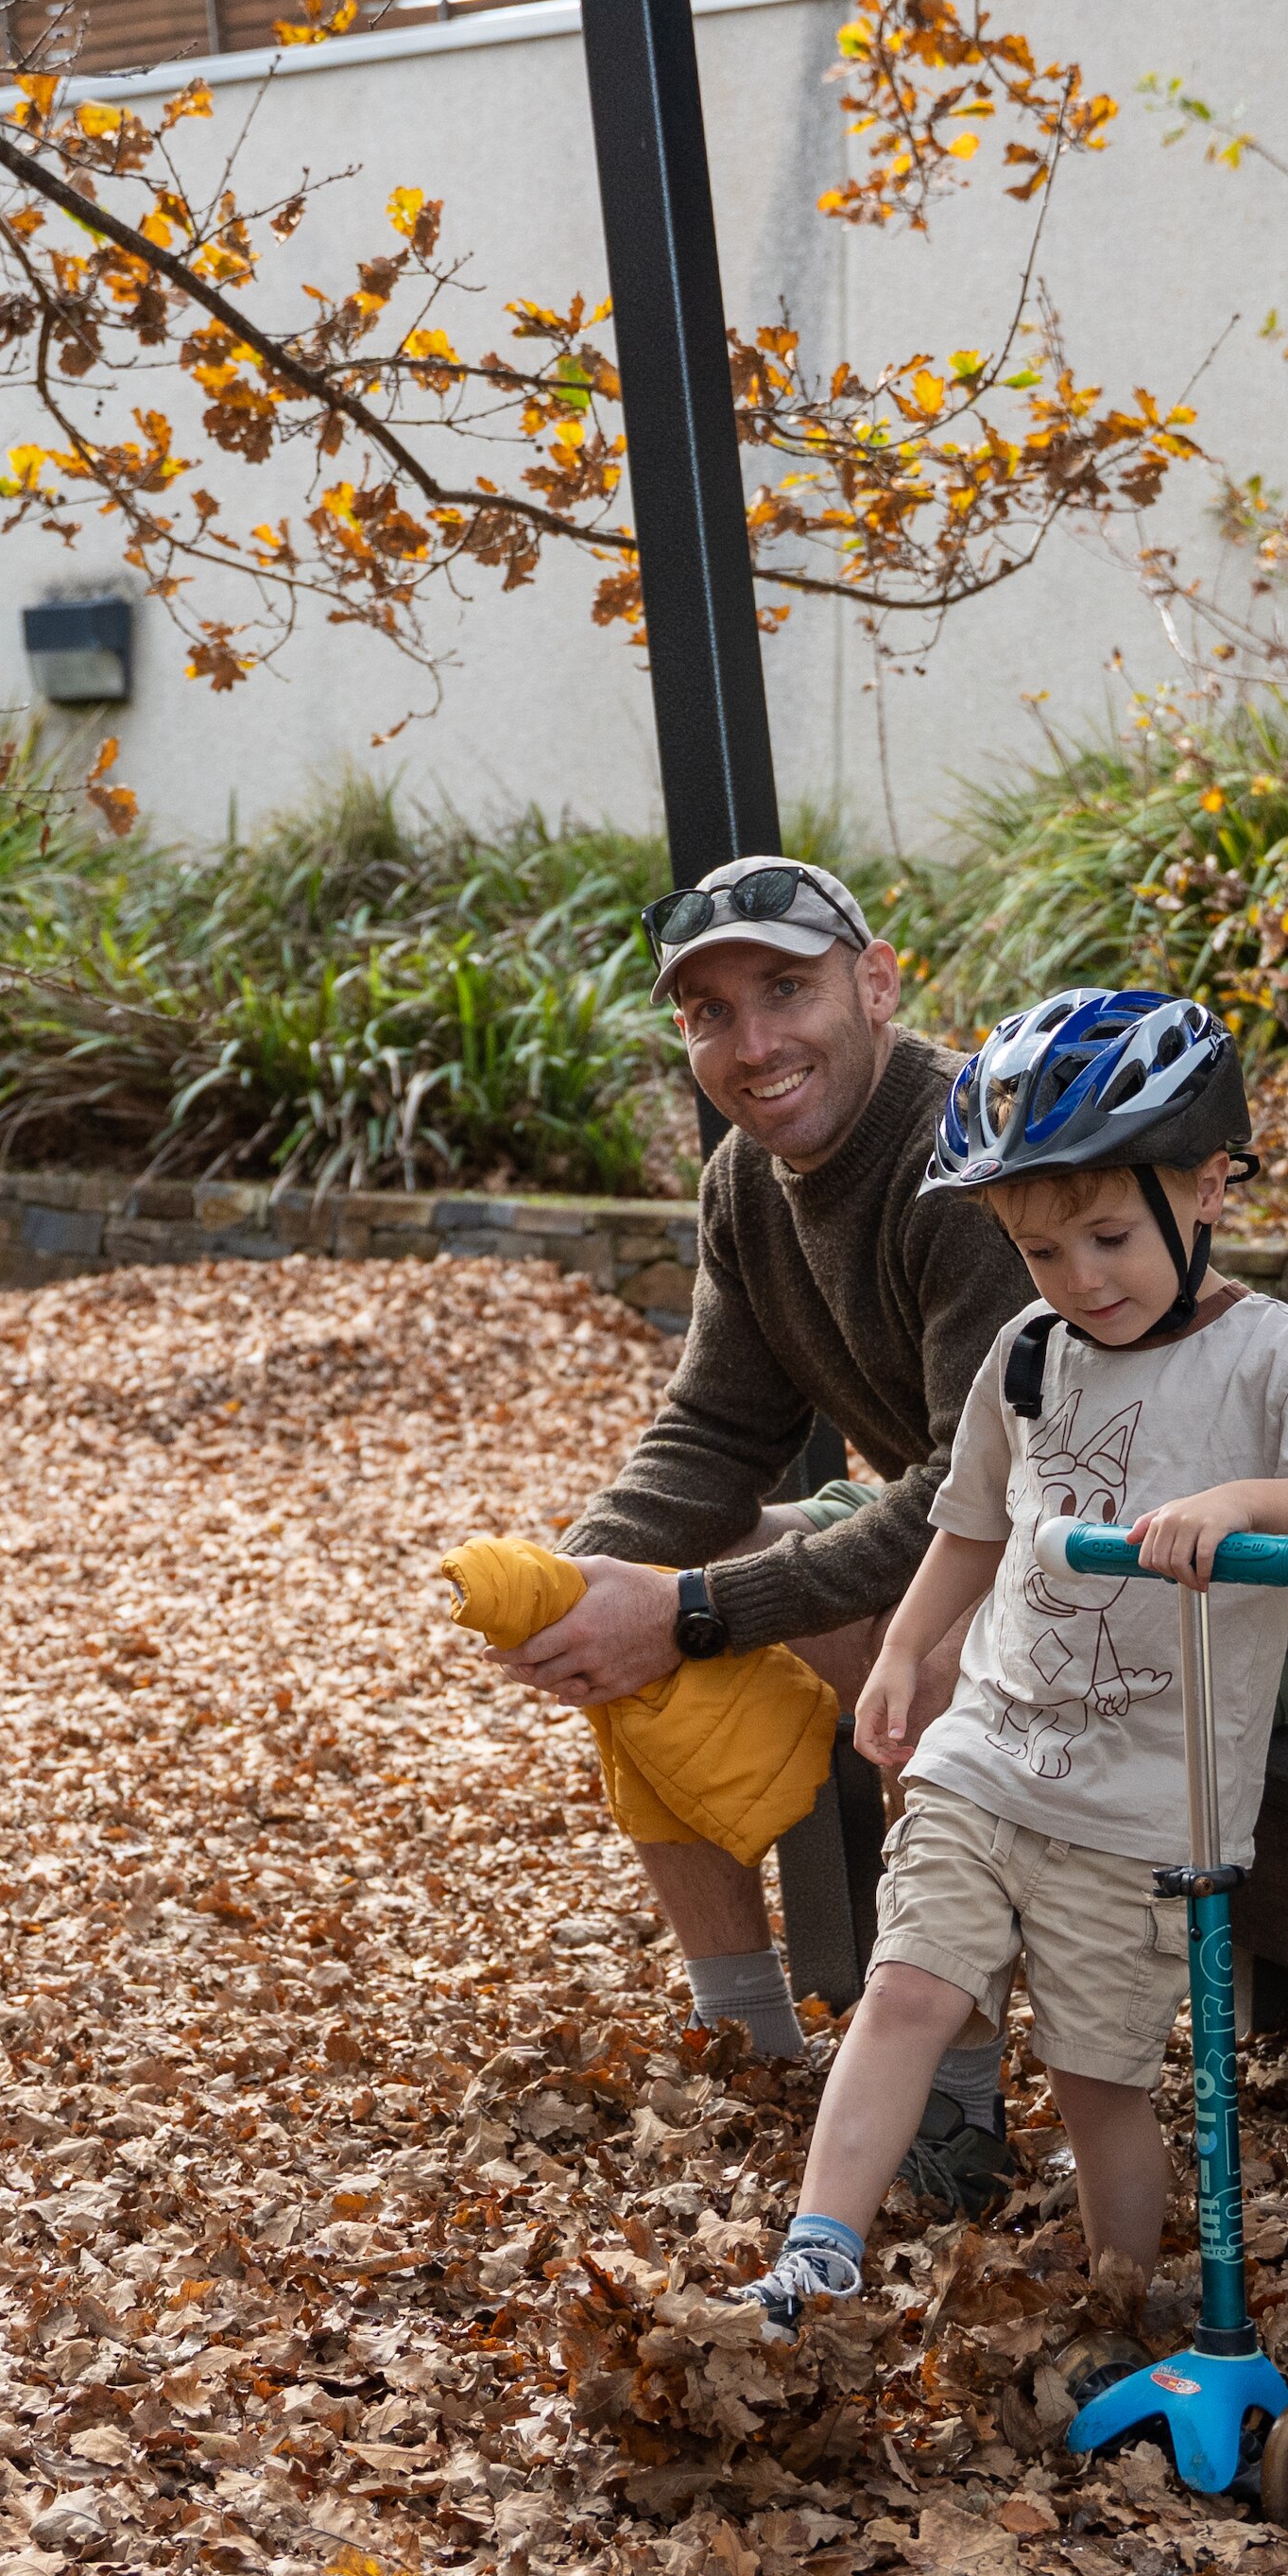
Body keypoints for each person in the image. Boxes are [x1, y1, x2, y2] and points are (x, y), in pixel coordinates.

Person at [732, 987, 1288, 2337]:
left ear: (1208, 1185)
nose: (1081, 1277)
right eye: (1044, 1250)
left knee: (1099, 2077)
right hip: (991, 1750)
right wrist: (911, 1651)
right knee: (909, 1987)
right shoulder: (1031, 1353)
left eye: (1109, 1236)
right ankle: (818, 2251)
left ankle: (1123, 2304)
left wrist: (1246, 1508)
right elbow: (973, 1522)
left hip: (1146, 1803)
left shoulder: (1272, 1356)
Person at [494, 853, 1039, 2209]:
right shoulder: (747, 1181)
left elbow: (977, 1505)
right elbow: (714, 1435)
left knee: (908, 1651)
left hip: (1161, 1558)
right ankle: (748, 2039)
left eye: (785, 990)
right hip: (960, 1520)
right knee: (640, 1589)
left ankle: (952, 2112)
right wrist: (579, 1577)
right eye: (710, 1013)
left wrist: (683, 1611)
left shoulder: (976, 1149)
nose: (752, 1043)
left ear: (876, 982)